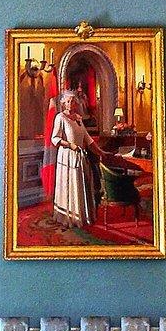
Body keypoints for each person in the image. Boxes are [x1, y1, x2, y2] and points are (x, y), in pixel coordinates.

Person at [51, 89, 106, 230]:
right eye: (68, 101)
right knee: (70, 183)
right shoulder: (60, 118)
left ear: (76, 104)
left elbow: (87, 138)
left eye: (73, 101)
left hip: (80, 156)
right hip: (67, 157)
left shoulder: (78, 118)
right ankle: (69, 216)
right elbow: (55, 138)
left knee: (80, 184)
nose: (70, 104)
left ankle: (82, 215)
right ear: (63, 103)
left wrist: (100, 151)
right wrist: (70, 145)